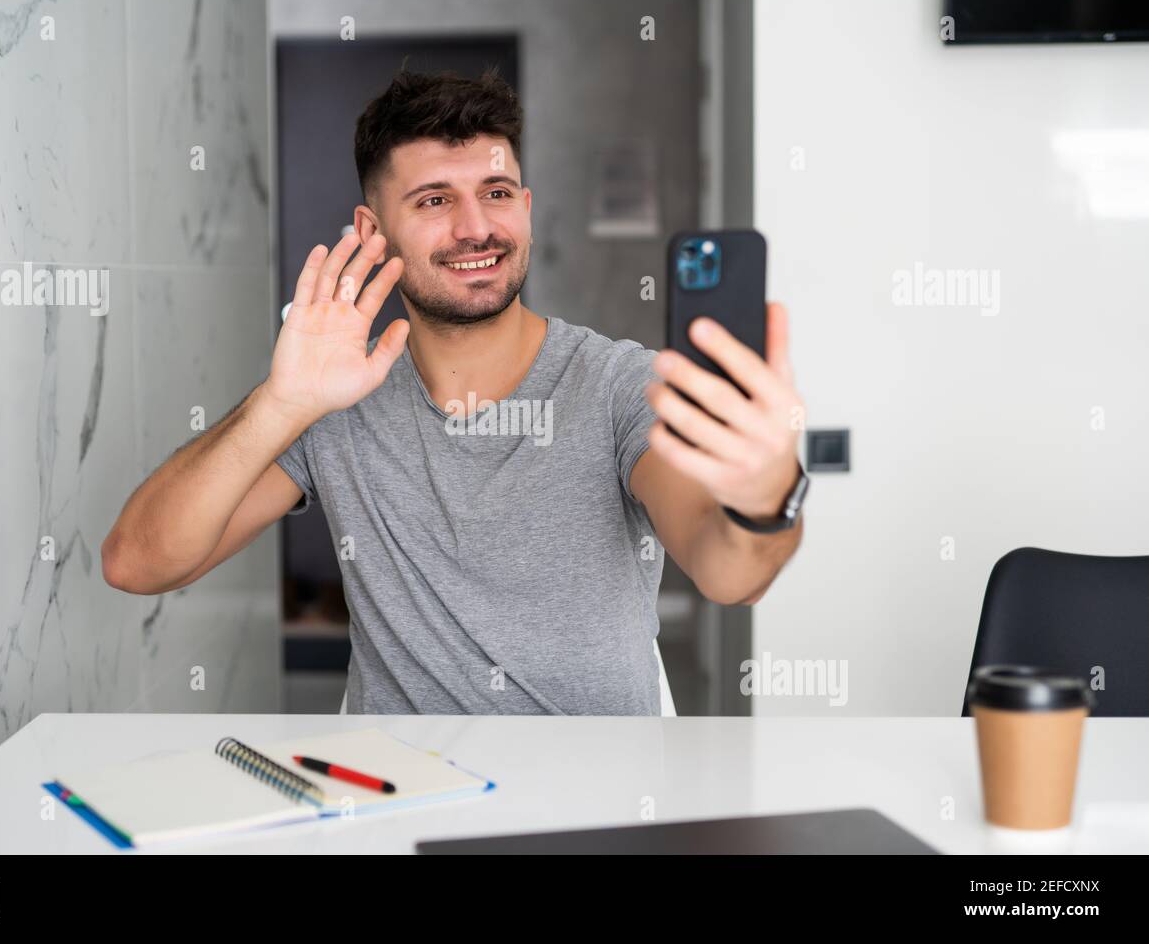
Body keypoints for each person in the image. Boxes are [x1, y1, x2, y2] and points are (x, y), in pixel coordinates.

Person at [102, 69, 806, 715]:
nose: (477, 227)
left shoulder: (619, 385)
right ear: (373, 232)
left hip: (596, 799)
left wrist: (768, 490)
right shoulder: (335, 401)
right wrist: (281, 403)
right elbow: (138, 562)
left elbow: (730, 573)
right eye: (435, 200)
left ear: (525, 208)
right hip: (400, 795)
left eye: (496, 194)